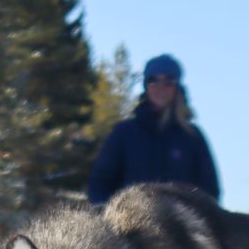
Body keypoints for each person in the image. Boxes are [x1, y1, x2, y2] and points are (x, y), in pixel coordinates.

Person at [87, 53, 221, 205]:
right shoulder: (124, 133)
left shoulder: (192, 137)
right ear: (146, 86)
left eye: (168, 81)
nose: (160, 87)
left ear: (177, 87)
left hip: (180, 224)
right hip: (131, 223)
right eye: (153, 80)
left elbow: (210, 192)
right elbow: (100, 183)